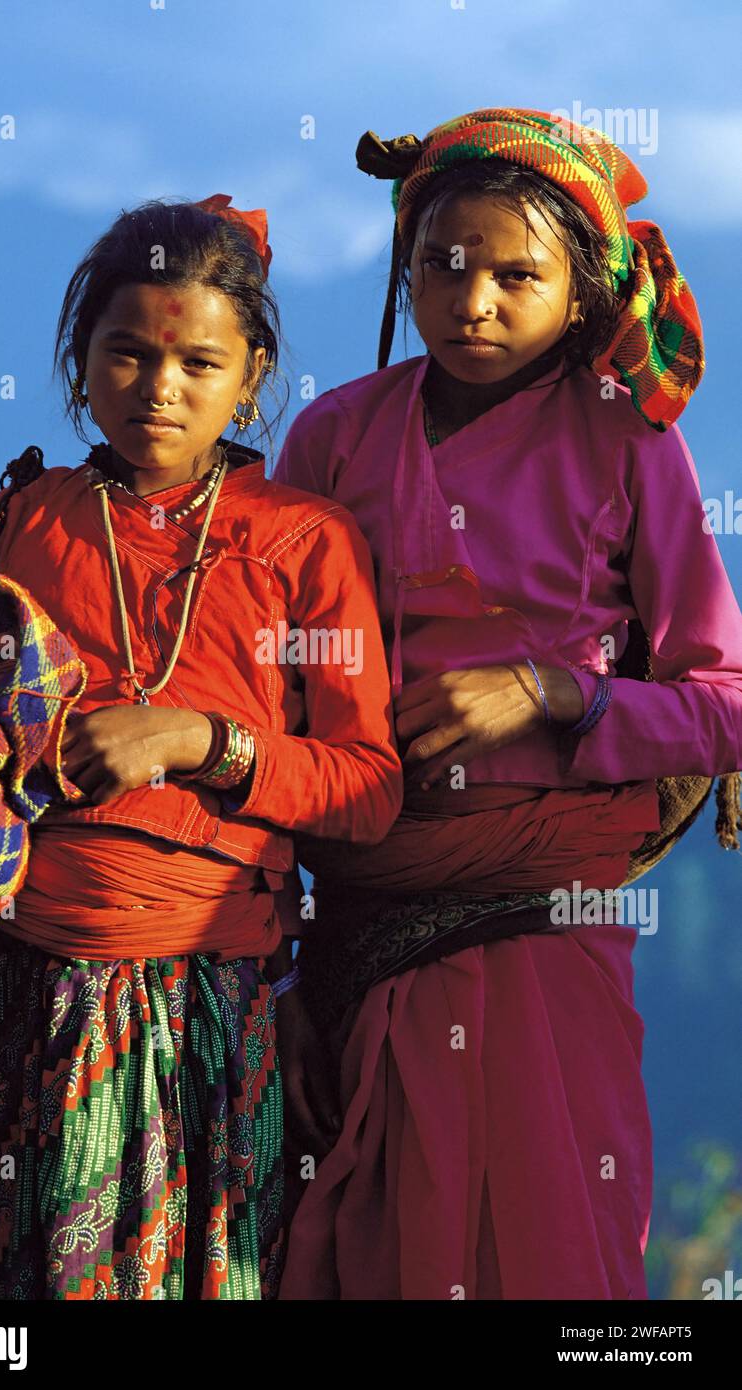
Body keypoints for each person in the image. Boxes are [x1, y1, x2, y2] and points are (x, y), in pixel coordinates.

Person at [271, 108, 742, 1300]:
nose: (469, 300)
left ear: (580, 291)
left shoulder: (627, 443)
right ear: (403, 267)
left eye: (513, 274)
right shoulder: (334, 433)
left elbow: (721, 700)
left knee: (535, 1232)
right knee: (365, 1232)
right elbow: (266, 678)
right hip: (357, 900)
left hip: (537, 915)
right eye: (440, 264)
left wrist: (549, 692)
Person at [0, 194, 402, 1300]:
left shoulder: (301, 543)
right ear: (79, 362)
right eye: (128, 354)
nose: (159, 387)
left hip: (209, 991)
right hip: (21, 986)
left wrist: (203, 739)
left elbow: (368, 786)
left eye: (200, 362)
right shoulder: (22, 524)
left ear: (250, 378)